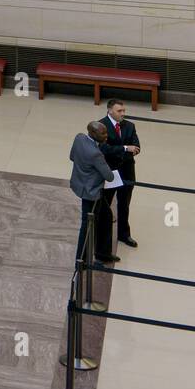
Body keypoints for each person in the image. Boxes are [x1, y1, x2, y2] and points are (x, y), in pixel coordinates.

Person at [69, 121, 118, 265]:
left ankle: (103, 253)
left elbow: (72, 157)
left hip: (82, 185)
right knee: (88, 226)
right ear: (93, 134)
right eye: (103, 133)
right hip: (92, 192)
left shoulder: (79, 138)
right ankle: (81, 261)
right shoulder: (96, 154)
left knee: (106, 216)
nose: (106, 136)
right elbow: (109, 176)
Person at [96, 98, 141, 249]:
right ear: (109, 110)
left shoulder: (130, 126)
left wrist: (124, 150)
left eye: (123, 111)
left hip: (127, 171)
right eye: (119, 111)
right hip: (110, 172)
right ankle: (101, 237)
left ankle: (124, 234)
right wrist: (124, 149)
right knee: (105, 205)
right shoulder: (101, 126)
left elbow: (137, 148)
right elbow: (103, 149)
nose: (122, 114)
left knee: (124, 204)